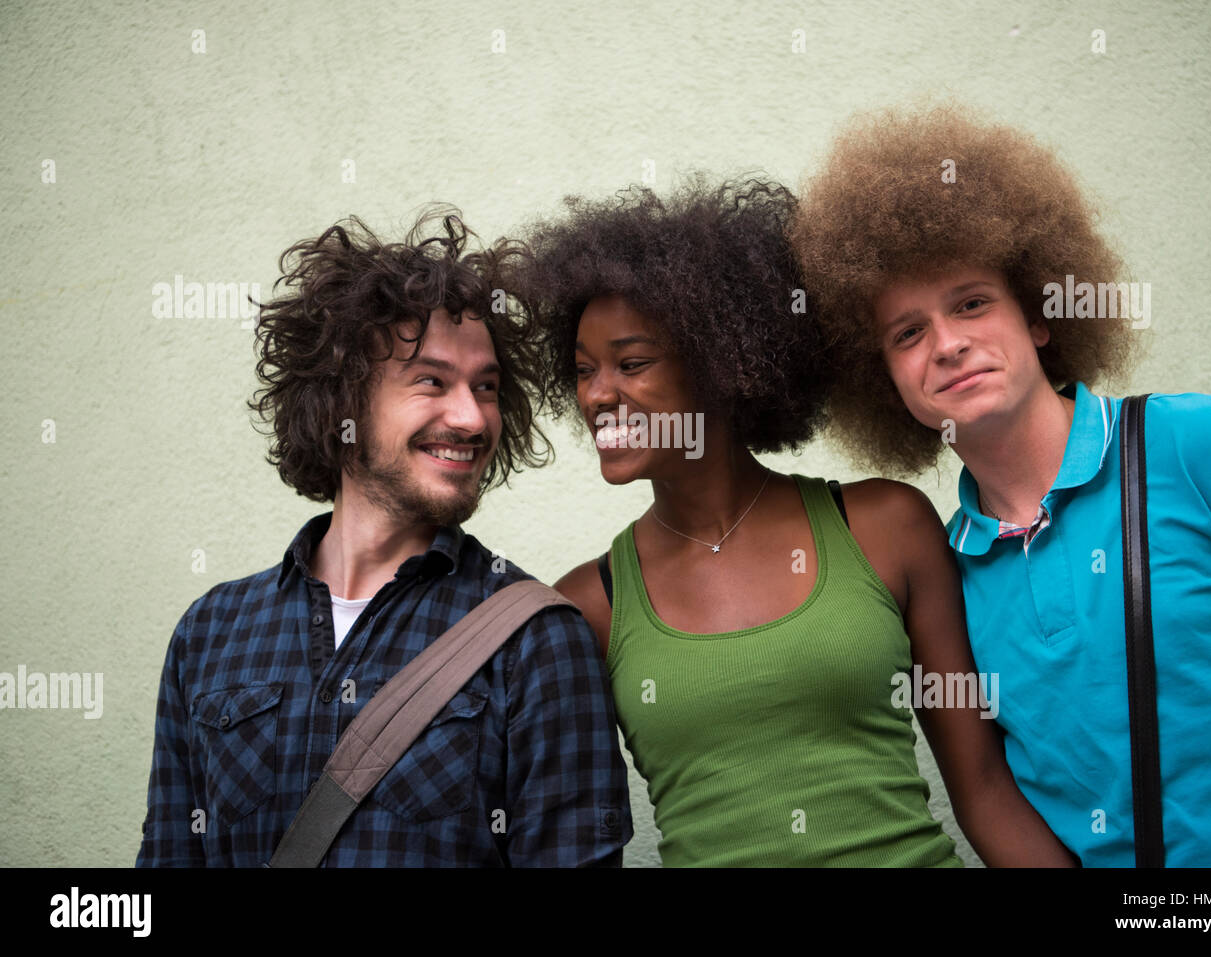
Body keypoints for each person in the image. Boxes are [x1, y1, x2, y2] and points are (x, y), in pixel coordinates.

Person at [514, 174, 1075, 866]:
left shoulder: (885, 526)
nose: (598, 394)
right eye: (582, 370)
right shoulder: (588, 604)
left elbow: (985, 790)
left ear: (721, 362)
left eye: (631, 362)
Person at [792, 104, 1211, 866]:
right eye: (908, 332)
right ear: (885, 379)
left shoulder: (1209, 445)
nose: (949, 344)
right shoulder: (946, 574)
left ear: (1038, 315)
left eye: (971, 303)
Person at [136, 209, 632, 867]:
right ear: (341, 400)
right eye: (432, 381)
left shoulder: (536, 640)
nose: (471, 416)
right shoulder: (209, 634)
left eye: (486, 387)